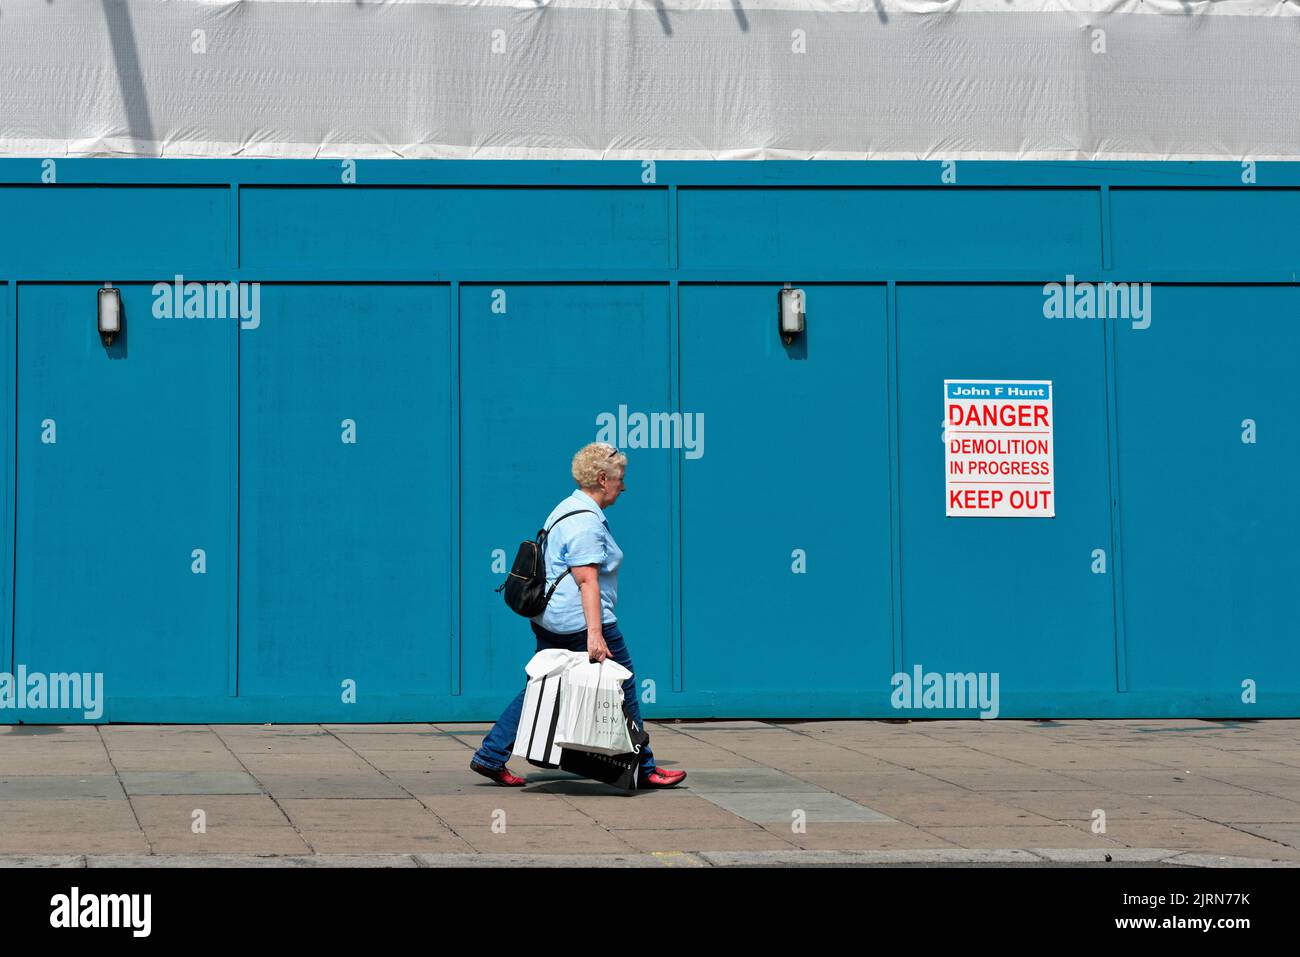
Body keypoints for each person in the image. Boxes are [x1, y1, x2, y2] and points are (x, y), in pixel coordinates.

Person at [470, 441, 687, 789]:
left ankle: (491, 754)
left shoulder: (565, 508)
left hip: (551, 618)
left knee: (543, 687)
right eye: (620, 478)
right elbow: (587, 581)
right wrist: (595, 633)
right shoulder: (585, 523)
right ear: (603, 479)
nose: (624, 485)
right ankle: (644, 768)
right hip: (580, 622)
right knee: (624, 687)